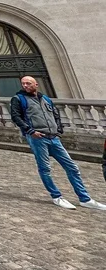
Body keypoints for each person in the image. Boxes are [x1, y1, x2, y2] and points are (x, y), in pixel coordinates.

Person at [10, 76, 106, 211]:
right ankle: (56, 196)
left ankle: (85, 199)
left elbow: (56, 115)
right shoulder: (18, 99)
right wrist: (30, 131)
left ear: (36, 84)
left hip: (53, 137)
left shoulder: (45, 99)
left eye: (28, 83)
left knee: (72, 167)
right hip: (38, 138)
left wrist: (59, 129)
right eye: (23, 83)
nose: (25, 86)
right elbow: (15, 117)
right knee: (45, 168)